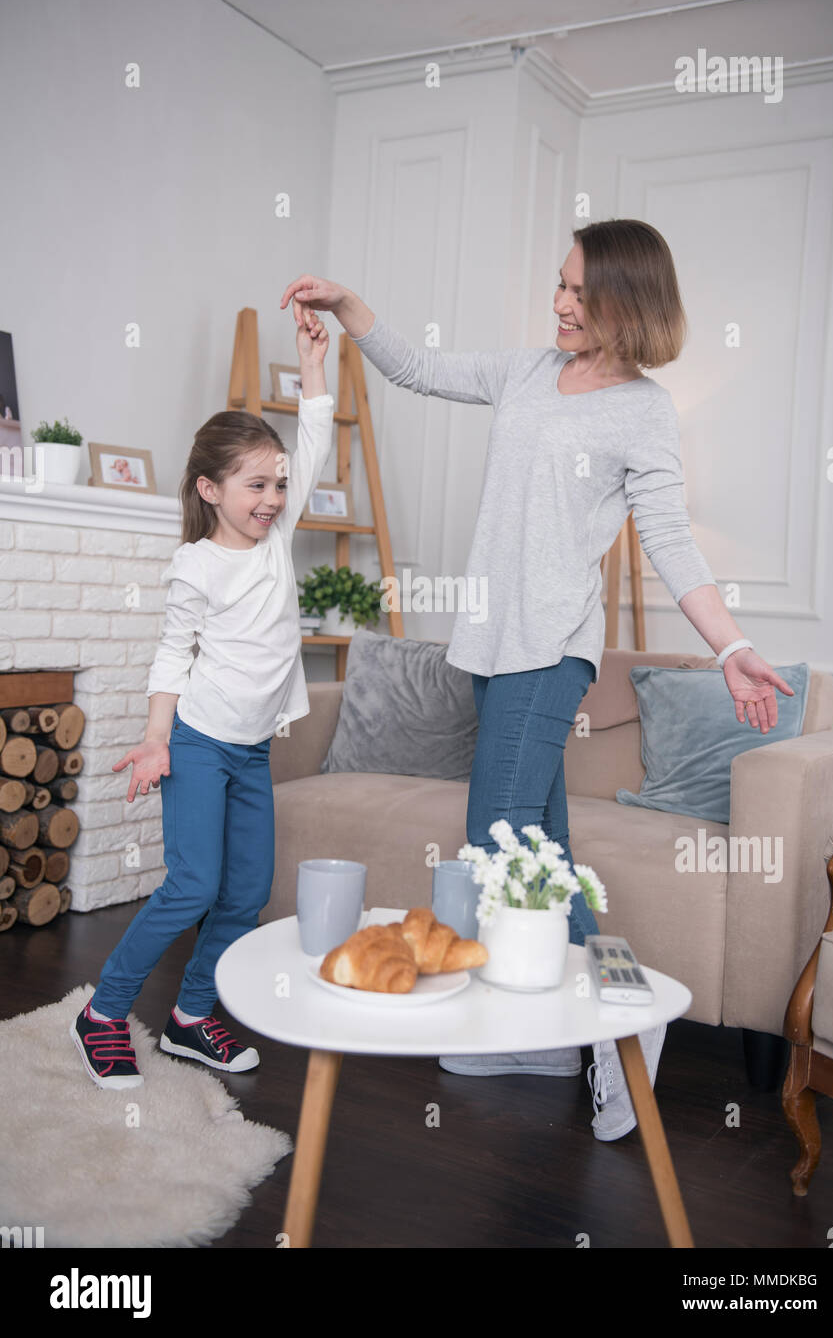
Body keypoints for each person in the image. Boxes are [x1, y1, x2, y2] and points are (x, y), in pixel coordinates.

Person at [280, 218, 795, 1142]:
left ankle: (606, 1037)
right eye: (558, 285)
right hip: (487, 642)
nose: (559, 303)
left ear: (627, 305)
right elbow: (416, 369)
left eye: (579, 292)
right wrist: (349, 307)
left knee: (494, 835)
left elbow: (670, 542)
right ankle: (587, 1029)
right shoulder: (522, 373)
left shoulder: (641, 411)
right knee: (544, 849)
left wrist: (728, 647)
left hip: (551, 648)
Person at [69, 301, 334, 1088]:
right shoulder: (197, 565)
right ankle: (104, 1011)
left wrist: (314, 361)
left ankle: (190, 1014)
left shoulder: (276, 542)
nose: (274, 499)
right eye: (257, 485)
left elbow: (315, 435)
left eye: (279, 484)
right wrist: (157, 738)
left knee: (246, 893)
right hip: (198, 743)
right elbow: (170, 655)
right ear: (210, 489)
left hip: (250, 750)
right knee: (192, 886)